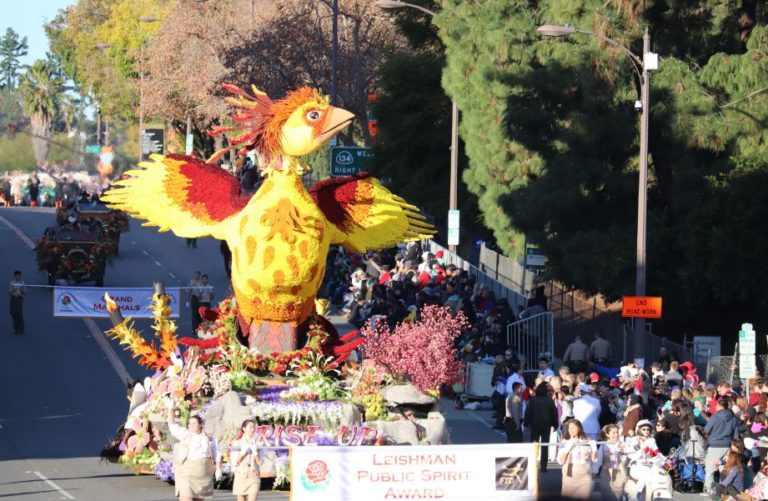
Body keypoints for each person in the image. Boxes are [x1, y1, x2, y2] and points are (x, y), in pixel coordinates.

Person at [166, 402, 221, 501]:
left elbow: (217, 454)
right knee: (186, 496)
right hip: (186, 472)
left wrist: (218, 469)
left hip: (202, 474)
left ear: (200, 425)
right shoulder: (184, 433)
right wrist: (170, 409)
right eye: (189, 423)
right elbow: (172, 425)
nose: (191, 425)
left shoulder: (208, 437)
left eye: (194, 423)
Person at [704, 397, 741, 495]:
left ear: (721, 406)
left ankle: (710, 490)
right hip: (727, 445)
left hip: (715, 445)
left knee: (710, 468)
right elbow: (736, 435)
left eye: (717, 405)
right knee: (724, 468)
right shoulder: (733, 418)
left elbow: (706, 430)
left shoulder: (715, 417)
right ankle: (722, 490)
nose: (715, 407)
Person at [557, 418, 597, 500]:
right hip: (569, 477)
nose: (570, 430)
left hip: (585, 476)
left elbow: (594, 459)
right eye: (569, 428)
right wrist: (567, 449)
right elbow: (561, 461)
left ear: (579, 428)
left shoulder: (587, 440)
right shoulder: (564, 441)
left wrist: (594, 448)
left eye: (573, 427)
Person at [524, 382, 559, 473]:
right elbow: (554, 414)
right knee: (545, 446)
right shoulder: (549, 401)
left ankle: (533, 463)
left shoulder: (533, 400)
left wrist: (526, 423)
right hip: (546, 425)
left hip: (535, 424)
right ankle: (543, 466)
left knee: (534, 445)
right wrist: (555, 425)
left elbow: (528, 412)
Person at [231, 419, 261, 501]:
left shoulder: (258, 443)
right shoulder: (237, 443)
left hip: (254, 476)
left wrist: (255, 452)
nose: (253, 429)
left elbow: (260, 462)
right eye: (250, 427)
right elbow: (235, 462)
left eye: (254, 427)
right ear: (244, 429)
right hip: (241, 475)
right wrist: (243, 452)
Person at [596, 424, 627, 501]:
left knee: (618, 497)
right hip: (606, 475)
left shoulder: (622, 445)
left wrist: (623, 452)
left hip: (619, 474)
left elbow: (625, 461)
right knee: (606, 496)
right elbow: (598, 461)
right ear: (607, 434)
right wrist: (594, 472)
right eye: (613, 433)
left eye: (617, 432)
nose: (616, 435)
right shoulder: (603, 445)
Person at [9, 270, 26, 335]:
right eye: (17, 276)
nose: (18, 277)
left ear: (20, 276)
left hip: (19, 299)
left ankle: (21, 328)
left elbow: (25, 292)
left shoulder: (22, 283)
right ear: (15, 276)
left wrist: (21, 289)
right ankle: (16, 328)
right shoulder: (12, 282)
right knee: (13, 313)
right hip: (13, 298)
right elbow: (9, 292)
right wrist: (14, 288)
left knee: (19, 313)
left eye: (19, 276)